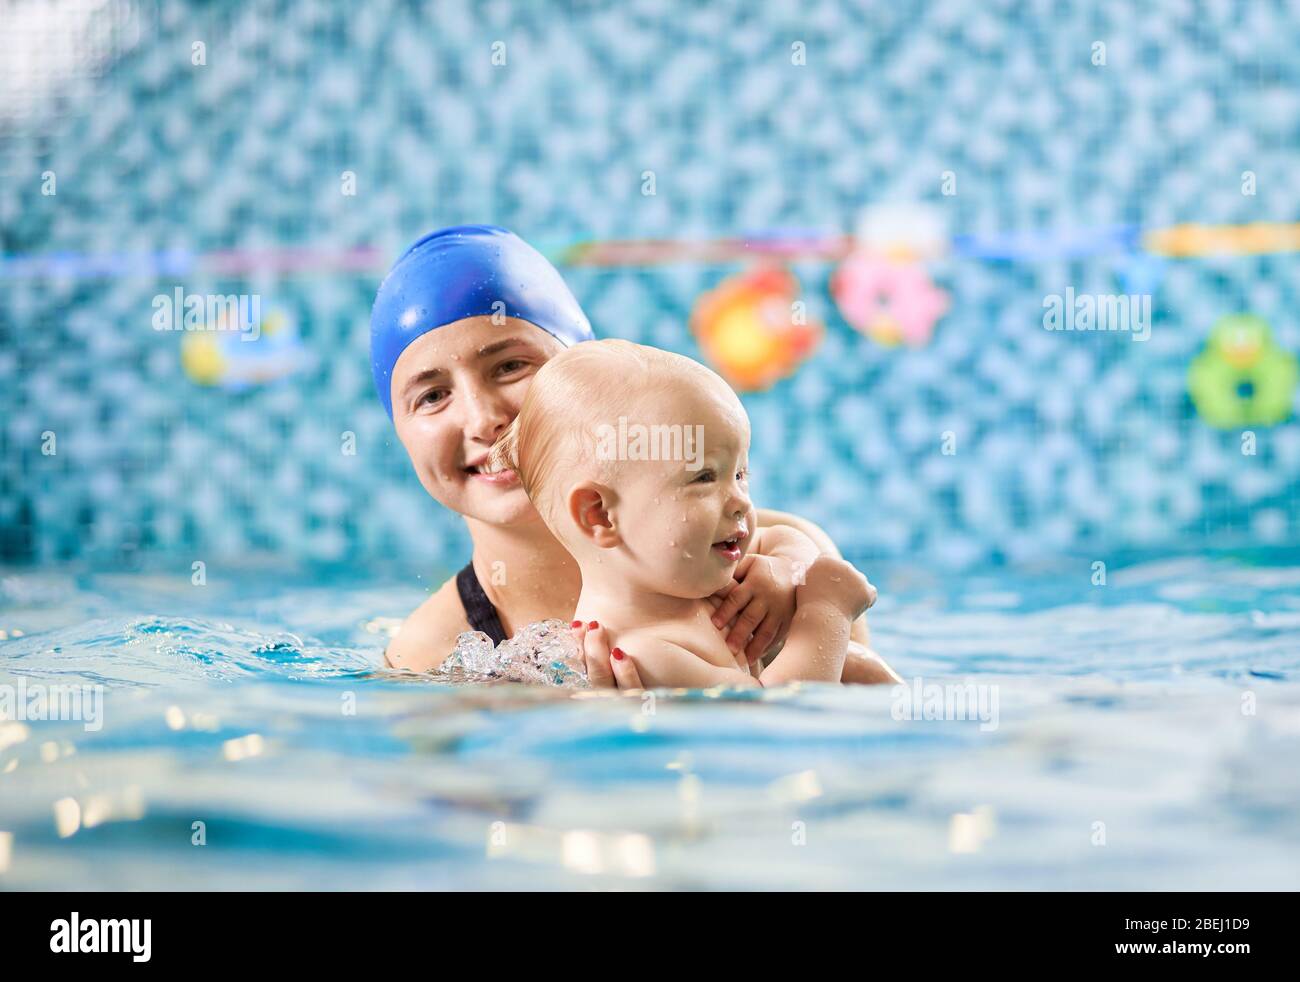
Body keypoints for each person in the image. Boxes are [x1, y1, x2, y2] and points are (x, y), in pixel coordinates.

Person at [370, 225, 898, 686]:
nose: (483, 417)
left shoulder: (783, 556)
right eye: (432, 396)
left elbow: (861, 723)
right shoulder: (429, 656)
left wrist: (800, 592)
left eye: (509, 366)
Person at [490, 337, 877, 687]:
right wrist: (826, 612)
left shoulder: (690, 573)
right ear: (601, 515)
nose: (741, 499)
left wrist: (785, 567)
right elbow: (780, 717)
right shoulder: (646, 652)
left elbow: (780, 538)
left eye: (740, 474)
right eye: (704, 477)